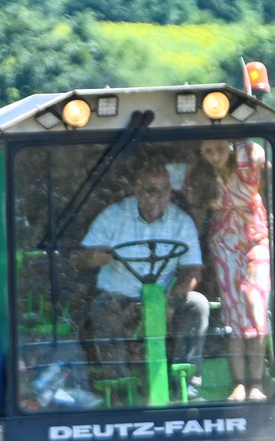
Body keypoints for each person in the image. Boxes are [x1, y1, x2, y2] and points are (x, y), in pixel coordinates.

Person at [76, 161, 210, 393]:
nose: (159, 198)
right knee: (103, 306)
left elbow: (192, 269)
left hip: (165, 298)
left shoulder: (181, 221)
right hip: (121, 299)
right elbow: (80, 258)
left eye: (165, 191)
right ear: (137, 190)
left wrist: (171, 301)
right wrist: (93, 258)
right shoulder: (114, 216)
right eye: (151, 191)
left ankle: (184, 381)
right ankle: (118, 384)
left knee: (198, 304)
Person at [200, 137, 272, 399]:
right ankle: (240, 383)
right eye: (208, 151)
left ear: (230, 147)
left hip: (255, 238)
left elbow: (269, 167)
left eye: (219, 149)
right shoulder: (202, 176)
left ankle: (257, 382)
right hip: (224, 244)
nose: (214, 156)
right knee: (233, 313)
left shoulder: (247, 161)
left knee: (254, 301)